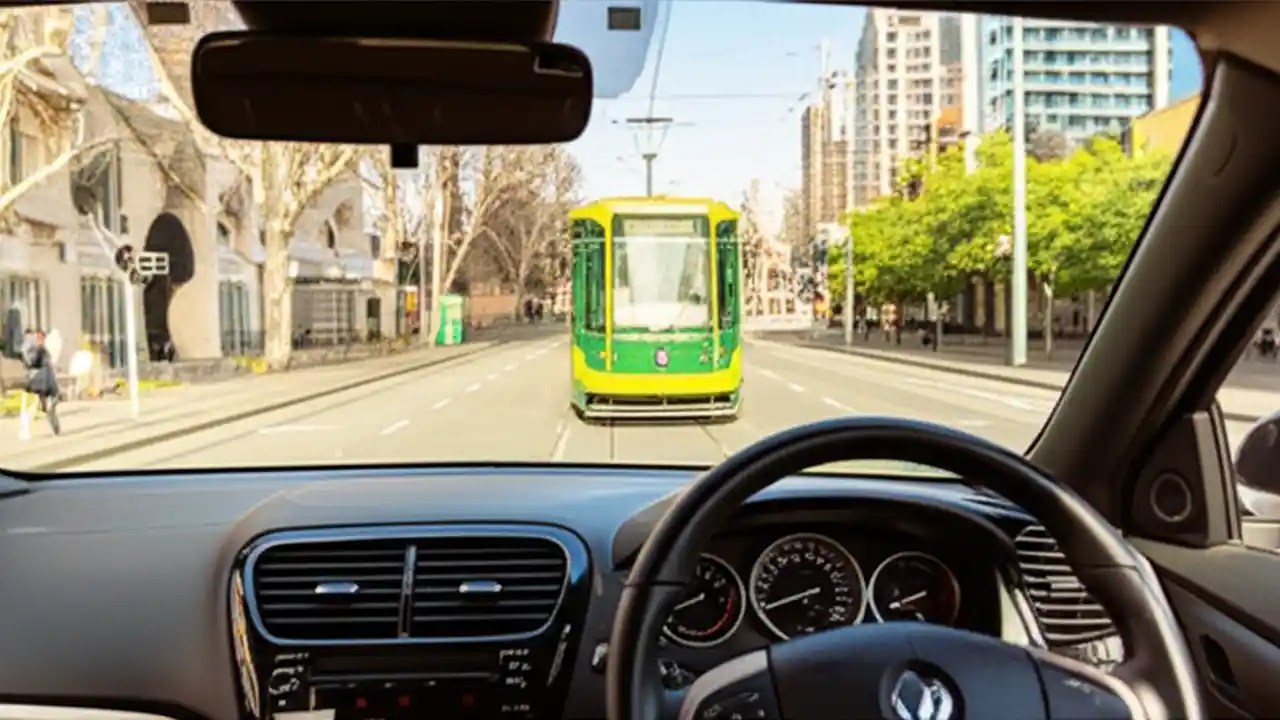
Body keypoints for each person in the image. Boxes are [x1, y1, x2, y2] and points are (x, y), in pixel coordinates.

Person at [22, 329, 60, 436]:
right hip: (38, 379)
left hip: (48, 378)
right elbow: (32, 362)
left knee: (54, 400)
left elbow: (48, 361)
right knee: (41, 405)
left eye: (42, 337)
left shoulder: (44, 348)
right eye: (39, 337)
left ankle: (54, 425)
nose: (41, 339)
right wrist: (39, 349)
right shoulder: (29, 348)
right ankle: (27, 427)